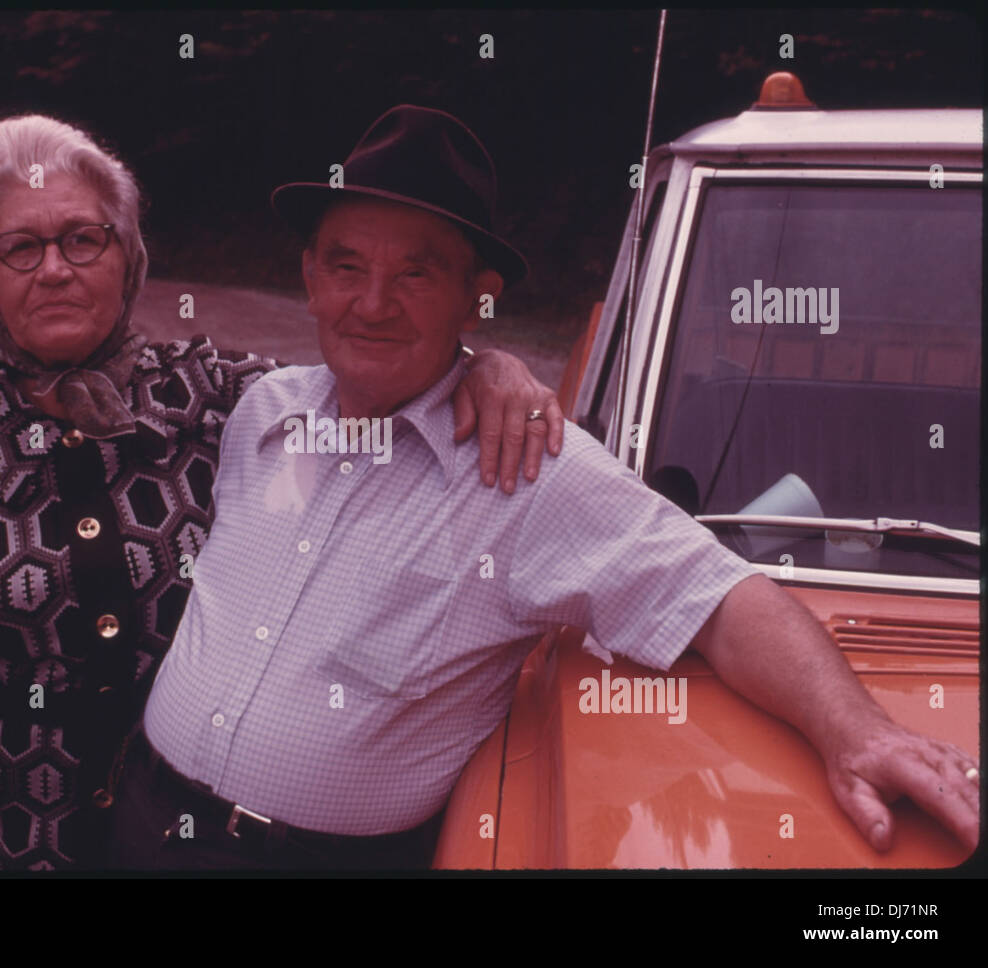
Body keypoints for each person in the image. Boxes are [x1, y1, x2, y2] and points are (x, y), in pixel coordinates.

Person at [108, 104, 981, 871]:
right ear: (309, 278)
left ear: (475, 300)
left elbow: (721, 598)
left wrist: (858, 732)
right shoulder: (262, 411)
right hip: (138, 819)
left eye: (416, 274)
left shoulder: (528, 472)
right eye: (345, 267)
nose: (371, 303)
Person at [0, 113, 566, 871]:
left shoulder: (231, 403)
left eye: (82, 238)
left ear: (129, 257)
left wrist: (485, 365)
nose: (54, 269)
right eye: (20, 247)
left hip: (165, 846)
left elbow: (380, 361)